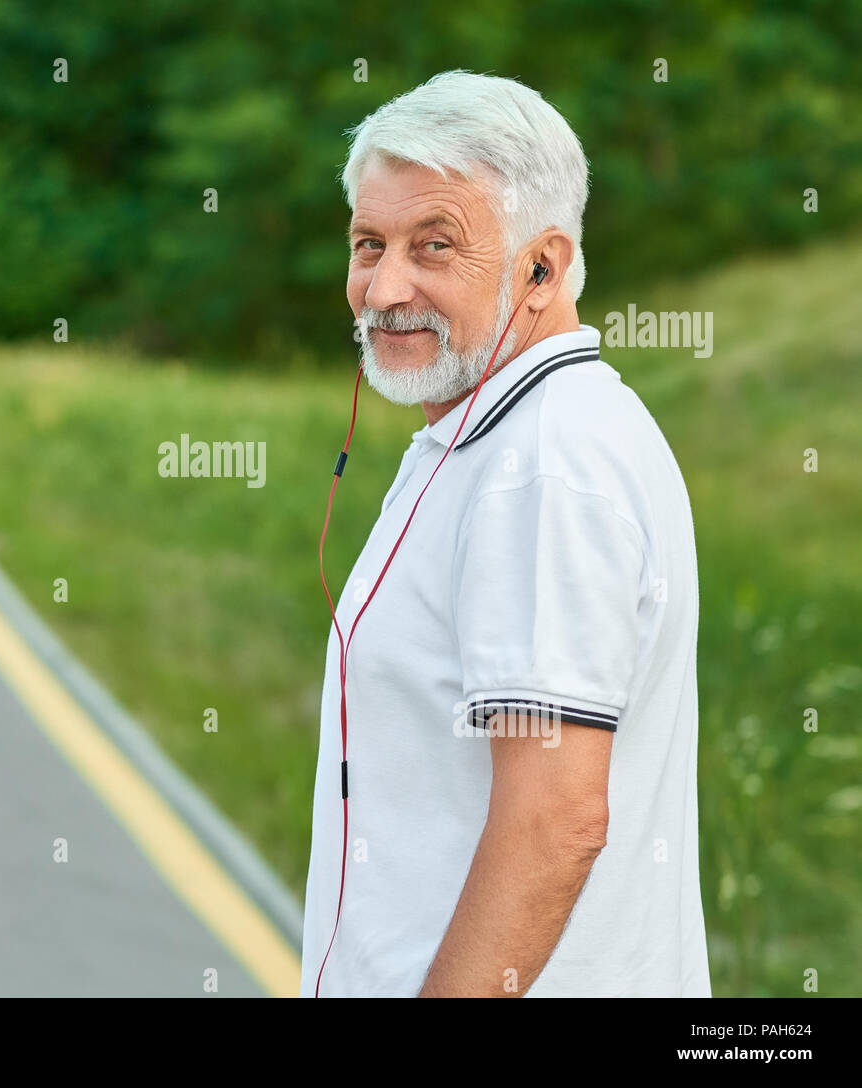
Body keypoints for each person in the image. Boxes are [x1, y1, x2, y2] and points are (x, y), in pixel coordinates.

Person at [300, 70, 711, 997]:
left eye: (433, 245)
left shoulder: (542, 466)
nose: (384, 286)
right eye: (370, 243)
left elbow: (555, 819)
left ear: (543, 266)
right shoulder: (500, 437)